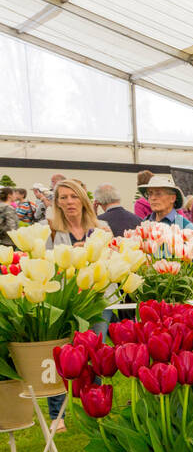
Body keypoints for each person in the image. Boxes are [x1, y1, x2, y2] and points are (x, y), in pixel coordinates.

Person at [45, 180, 111, 433]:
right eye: (63, 198)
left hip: (96, 299)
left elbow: (112, 259)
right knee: (63, 355)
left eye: (73, 196)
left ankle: (94, 406)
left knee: (95, 355)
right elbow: (45, 264)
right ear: (57, 203)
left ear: (83, 199)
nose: (69, 202)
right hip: (65, 300)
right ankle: (57, 414)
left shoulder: (101, 228)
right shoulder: (50, 230)